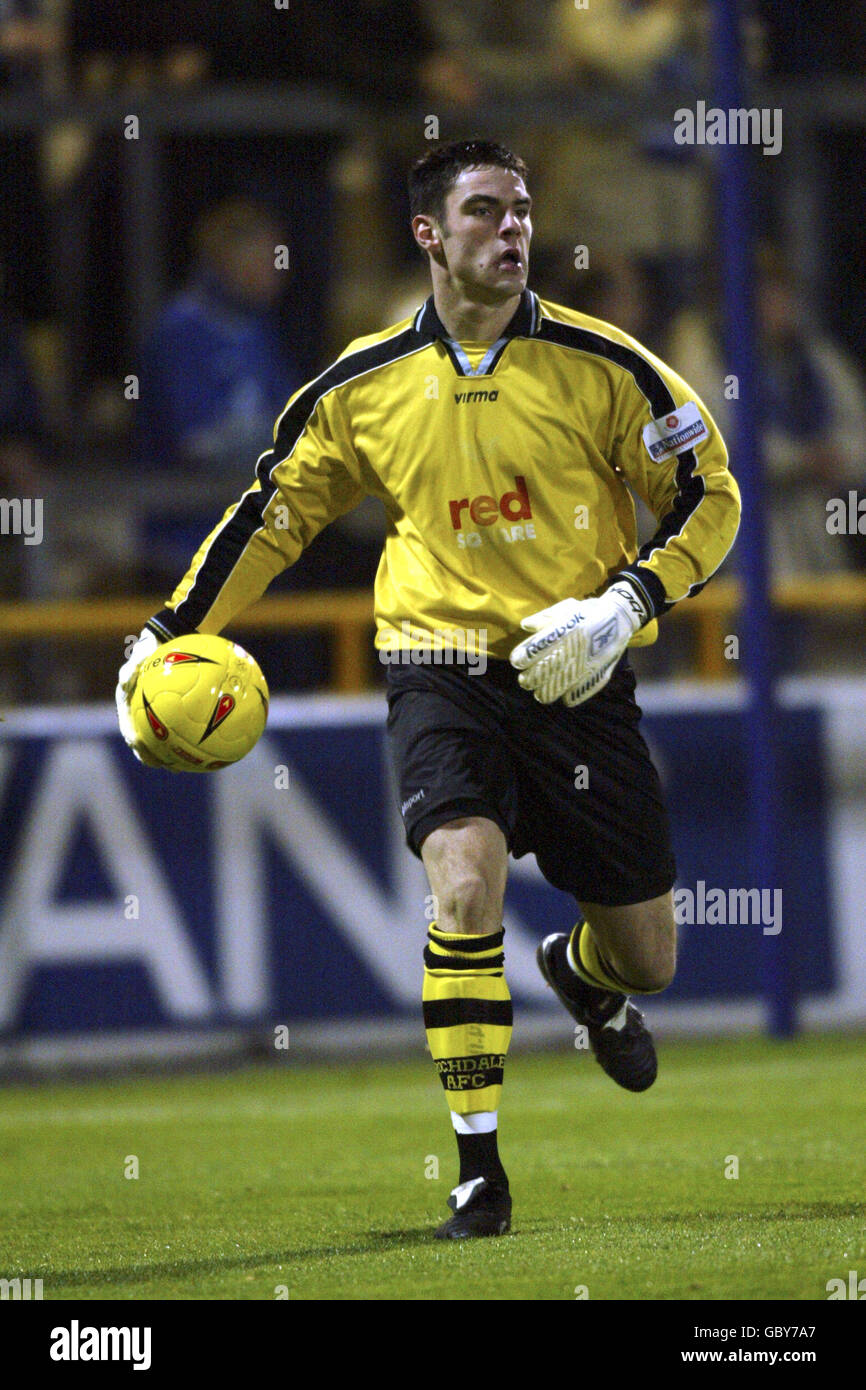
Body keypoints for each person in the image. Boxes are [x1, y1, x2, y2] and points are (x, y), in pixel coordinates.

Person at [116, 140, 741, 1240]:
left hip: (576, 671)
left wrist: (629, 602)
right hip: (433, 662)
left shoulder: (608, 366)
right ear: (427, 235)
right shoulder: (359, 386)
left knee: (649, 952)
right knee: (462, 879)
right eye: (487, 211)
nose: (512, 230)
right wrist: (171, 629)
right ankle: (476, 1173)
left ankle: (583, 975)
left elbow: (710, 494)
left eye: (521, 211)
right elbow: (274, 517)